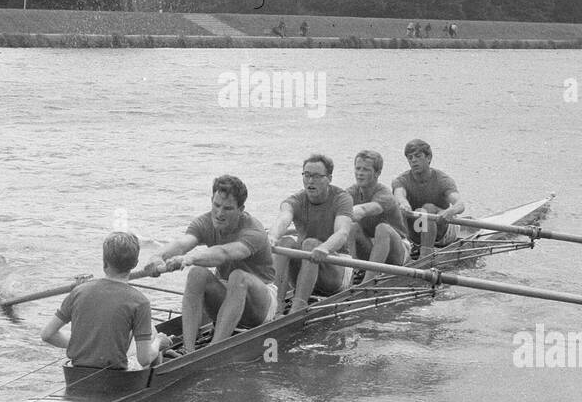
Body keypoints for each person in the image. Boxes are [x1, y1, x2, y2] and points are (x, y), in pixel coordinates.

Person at [141, 175, 276, 353]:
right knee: (196, 273)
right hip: (229, 294)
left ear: (241, 209)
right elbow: (183, 243)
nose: (219, 213)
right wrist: (157, 256)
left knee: (238, 277)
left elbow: (224, 253)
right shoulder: (205, 221)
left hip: (261, 303)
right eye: (216, 205)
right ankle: (188, 352)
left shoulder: (254, 231)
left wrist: (190, 259)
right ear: (211, 200)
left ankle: (214, 350)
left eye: (227, 208)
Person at [41, 232, 170, 372]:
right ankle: (149, 387)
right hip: (118, 375)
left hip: (75, 371)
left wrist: (82, 345)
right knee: (153, 331)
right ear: (135, 264)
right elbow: (143, 359)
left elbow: (47, 335)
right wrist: (159, 343)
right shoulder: (141, 302)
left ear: (104, 262)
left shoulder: (79, 291)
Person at [272, 154, 354, 312]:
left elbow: (342, 232)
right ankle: (276, 305)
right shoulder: (296, 199)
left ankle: (298, 306)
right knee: (286, 242)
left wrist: (325, 248)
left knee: (310, 243)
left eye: (316, 176)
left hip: (336, 266)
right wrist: (272, 237)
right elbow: (283, 218)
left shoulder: (342, 198)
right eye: (307, 175)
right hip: (309, 259)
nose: (310, 181)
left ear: (329, 178)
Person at [392, 139, 466, 248]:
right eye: (410, 157)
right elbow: (399, 195)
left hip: (443, 232)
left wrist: (451, 211)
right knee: (396, 208)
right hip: (417, 230)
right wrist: (403, 203)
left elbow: (460, 204)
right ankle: (408, 247)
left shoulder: (443, 180)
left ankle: (426, 253)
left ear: (428, 157)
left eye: (418, 156)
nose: (413, 160)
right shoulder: (401, 180)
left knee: (427, 208)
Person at [347, 150, 409, 275]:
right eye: (358, 168)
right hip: (371, 245)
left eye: (366, 170)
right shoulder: (351, 191)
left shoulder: (385, 194)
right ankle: (351, 273)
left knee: (382, 228)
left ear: (377, 173)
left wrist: (341, 214)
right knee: (352, 227)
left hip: (398, 249)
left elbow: (365, 210)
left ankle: (369, 280)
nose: (360, 173)